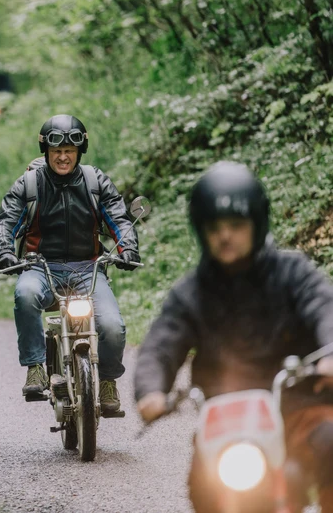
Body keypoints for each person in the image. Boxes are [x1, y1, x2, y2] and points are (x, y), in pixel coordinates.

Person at [134, 162, 333, 512]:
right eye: (215, 227)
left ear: (257, 224)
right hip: (228, 418)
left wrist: (331, 353)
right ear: (201, 230)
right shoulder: (191, 293)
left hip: (297, 406)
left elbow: (323, 307)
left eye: (236, 226)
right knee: (204, 486)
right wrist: (151, 390)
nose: (225, 235)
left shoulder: (292, 272)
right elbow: (161, 344)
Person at [0, 114, 140, 414]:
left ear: (79, 152)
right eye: (56, 151)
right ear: (46, 152)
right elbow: (5, 222)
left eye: (69, 151)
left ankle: (108, 381)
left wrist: (128, 249)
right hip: (40, 266)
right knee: (25, 295)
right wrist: (4, 251)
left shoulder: (96, 182)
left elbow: (119, 219)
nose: (62, 157)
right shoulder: (29, 184)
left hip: (89, 269)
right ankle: (35, 366)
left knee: (112, 325)